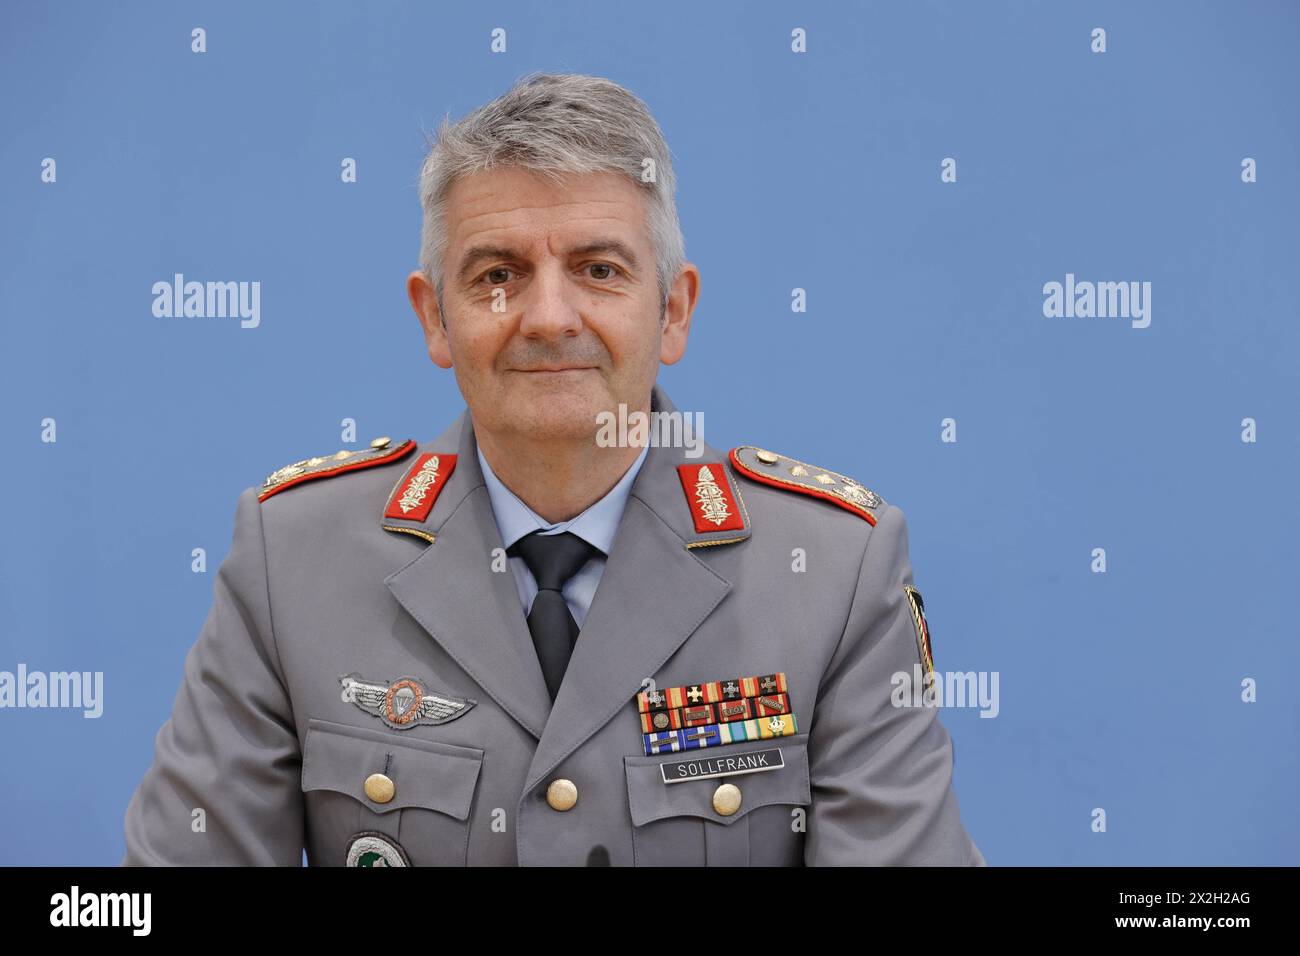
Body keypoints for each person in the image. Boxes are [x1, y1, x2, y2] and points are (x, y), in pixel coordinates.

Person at [122, 71, 984, 867]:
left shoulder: (831, 575)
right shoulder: (294, 558)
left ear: (673, 311)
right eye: (497, 276)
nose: (547, 316)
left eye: (597, 270)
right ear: (435, 319)